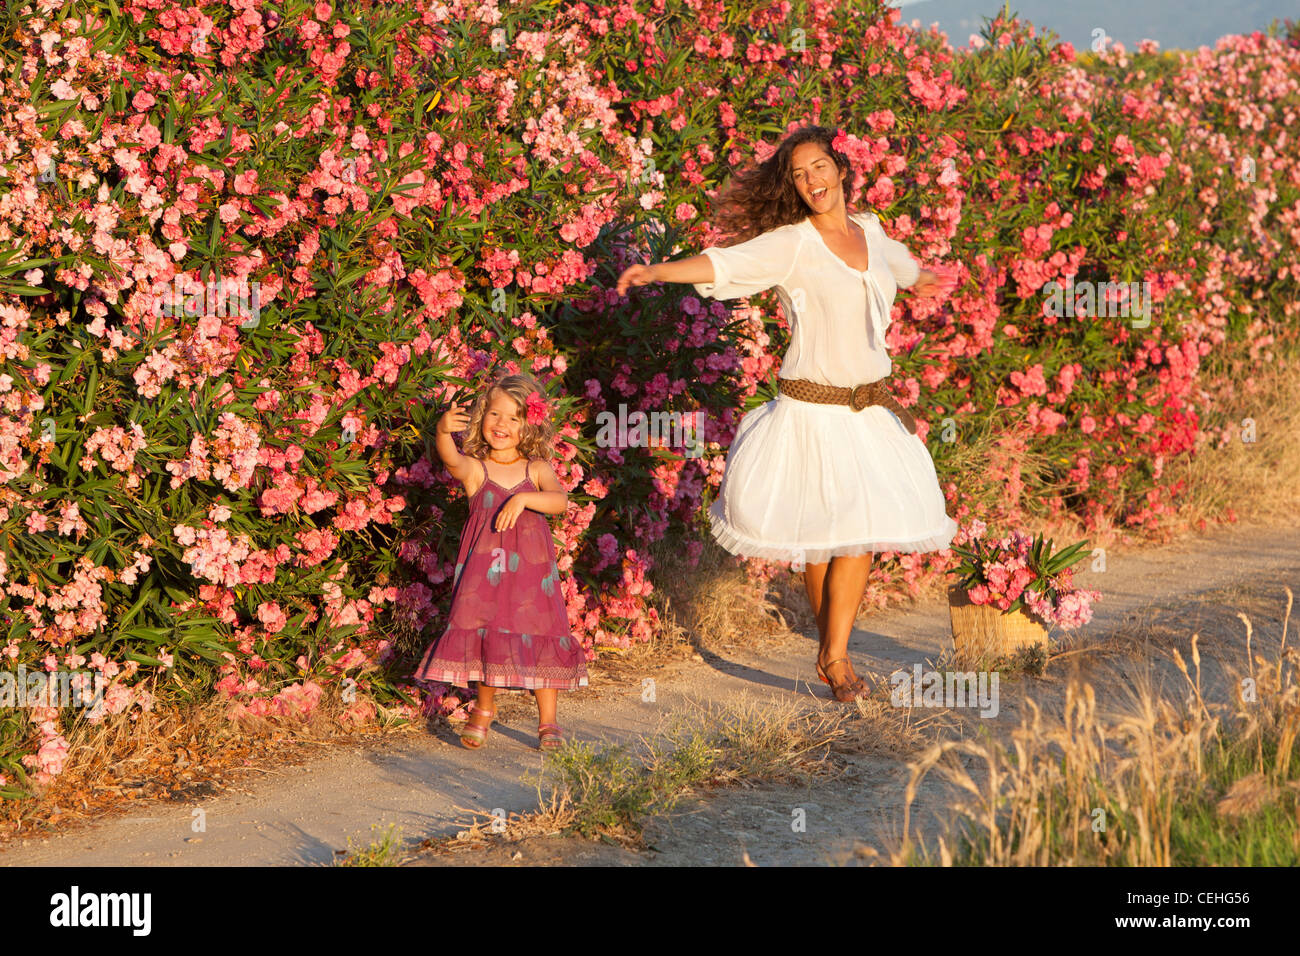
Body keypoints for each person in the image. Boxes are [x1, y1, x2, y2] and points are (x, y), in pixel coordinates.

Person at [615, 124, 959, 702]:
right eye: (799, 175)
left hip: (868, 410)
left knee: (853, 536)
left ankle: (833, 652)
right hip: (810, 411)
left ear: (841, 169)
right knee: (829, 539)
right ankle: (835, 653)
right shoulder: (792, 243)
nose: (811, 180)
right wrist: (657, 271)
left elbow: (900, 268)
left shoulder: (872, 232)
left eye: (819, 167)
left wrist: (922, 280)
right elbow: (723, 263)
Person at [415, 371, 587, 748]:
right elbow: (452, 462)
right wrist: (443, 433)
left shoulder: (536, 469)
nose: (502, 424)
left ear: (530, 425)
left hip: (532, 580)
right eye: (494, 414)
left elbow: (560, 501)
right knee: (488, 642)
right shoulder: (477, 469)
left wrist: (523, 498)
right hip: (485, 579)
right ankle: (483, 708)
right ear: (482, 417)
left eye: (513, 417)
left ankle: (548, 721)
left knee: (544, 637)